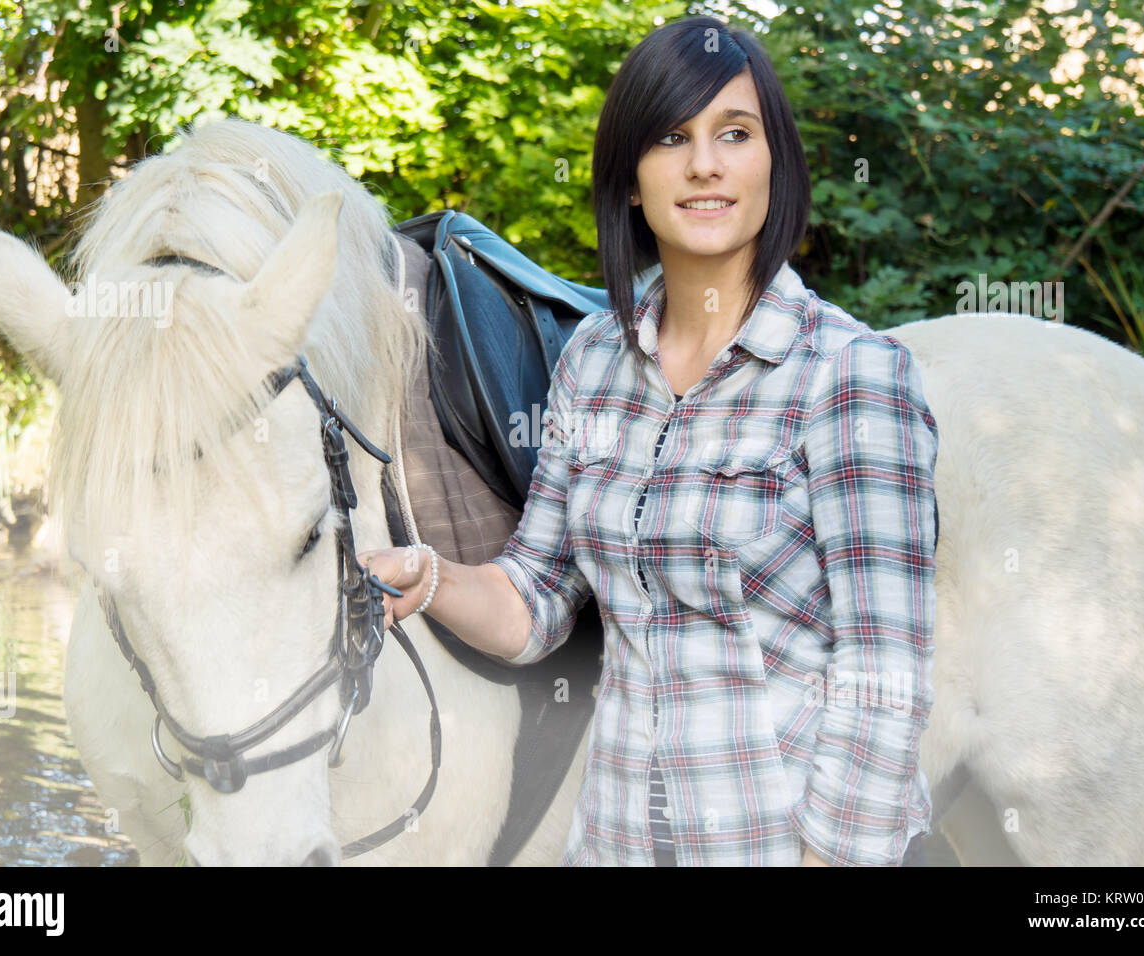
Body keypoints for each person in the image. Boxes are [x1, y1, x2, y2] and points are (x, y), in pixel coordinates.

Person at [358, 14, 939, 867]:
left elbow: (884, 681)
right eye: (671, 137)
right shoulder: (594, 361)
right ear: (632, 179)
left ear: (773, 162)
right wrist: (433, 579)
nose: (704, 163)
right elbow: (537, 596)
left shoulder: (852, 376)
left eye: (733, 134)